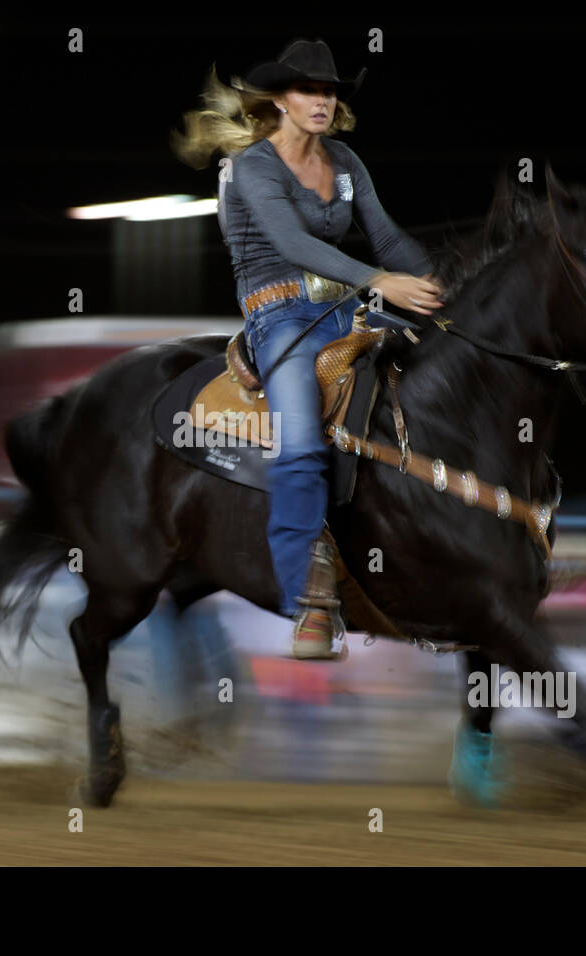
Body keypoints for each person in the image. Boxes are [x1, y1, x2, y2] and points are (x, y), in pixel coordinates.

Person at [173, 38, 442, 659]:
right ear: (281, 99)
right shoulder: (250, 167)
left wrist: (436, 287)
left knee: (431, 384)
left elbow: (386, 236)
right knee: (300, 447)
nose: (322, 100)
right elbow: (293, 244)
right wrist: (379, 280)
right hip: (280, 319)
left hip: (346, 310)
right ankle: (307, 604)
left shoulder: (346, 162)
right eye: (308, 90)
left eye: (329, 91)